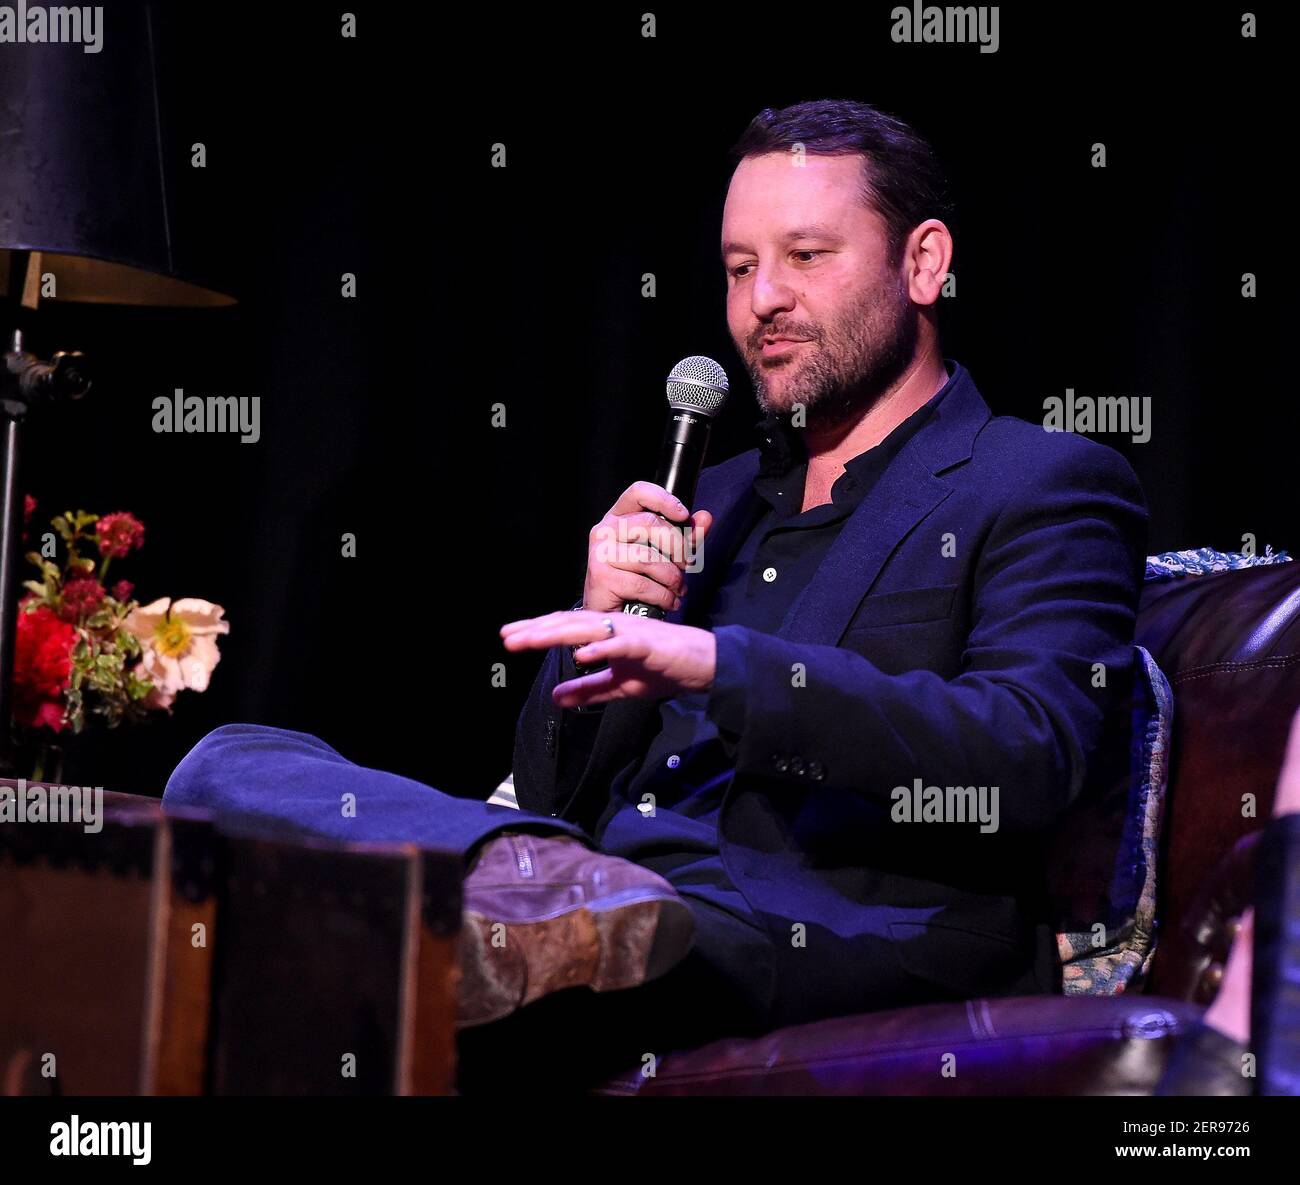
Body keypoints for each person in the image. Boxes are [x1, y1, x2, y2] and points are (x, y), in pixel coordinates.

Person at [163, 98, 1148, 1091]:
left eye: (805, 256)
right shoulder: (710, 500)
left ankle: (529, 909)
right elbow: (558, 793)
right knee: (230, 763)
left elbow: (1030, 751)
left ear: (925, 262)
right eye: (737, 267)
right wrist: (600, 634)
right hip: (614, 884)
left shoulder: (1039, 480)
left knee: (335, 963)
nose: (762, 299)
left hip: (819, 933)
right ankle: (547, 899)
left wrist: (721, 666)